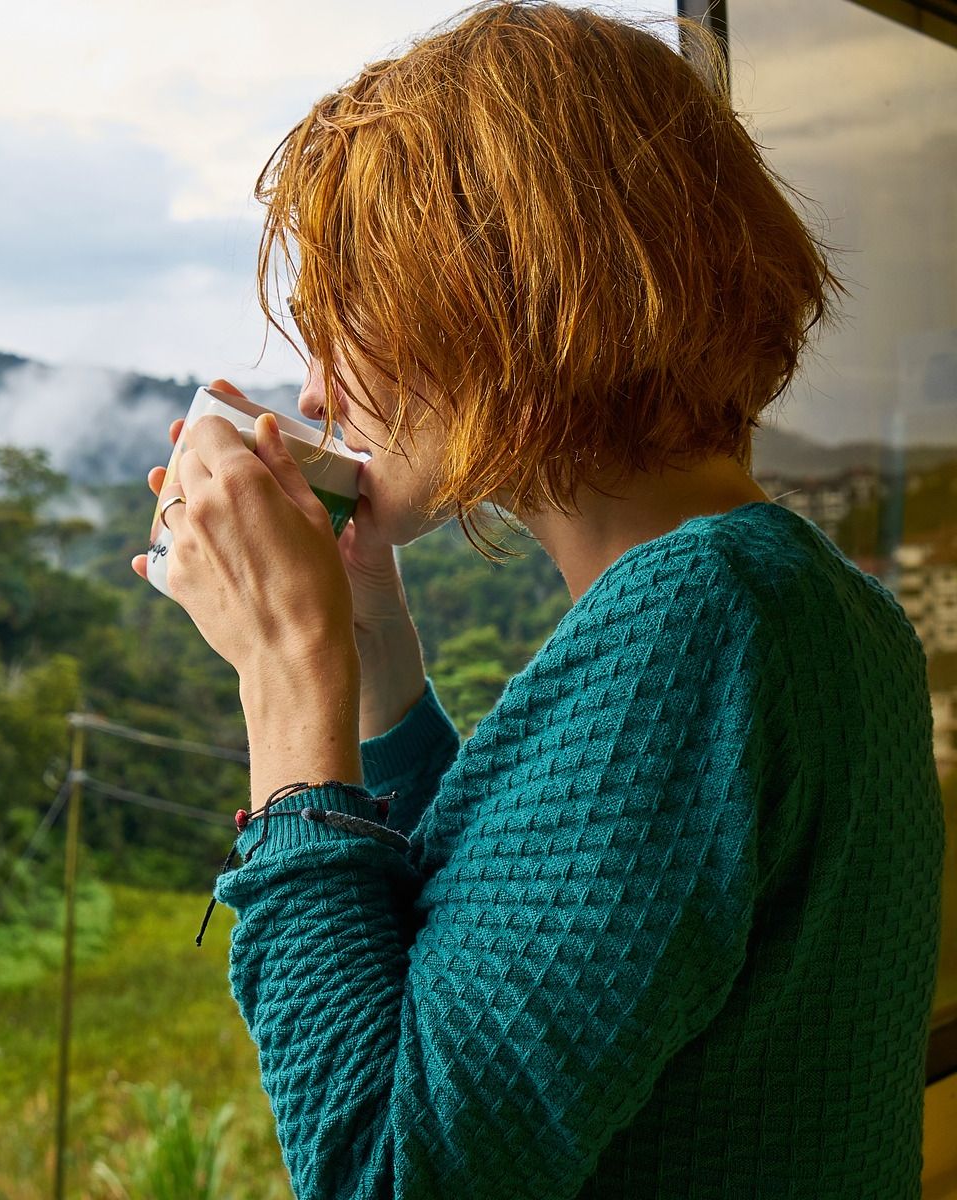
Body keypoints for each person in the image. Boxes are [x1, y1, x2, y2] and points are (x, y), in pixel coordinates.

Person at [128, 2, 946, 1197]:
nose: (310, 394)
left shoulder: (701, 625)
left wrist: (288, 675)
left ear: (481, 293)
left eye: (335, 330)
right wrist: (372, 646)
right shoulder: (802, 601)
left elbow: (387, 1169)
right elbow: (493, 943)